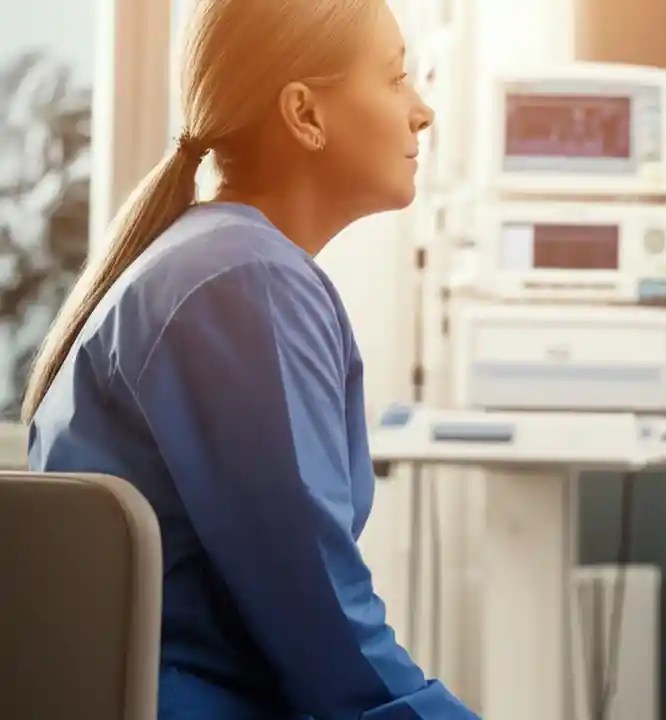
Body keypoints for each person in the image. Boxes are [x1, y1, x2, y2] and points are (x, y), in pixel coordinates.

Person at [24, 1, 477, 717]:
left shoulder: (214, 261)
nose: (420, 112)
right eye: (395, 80)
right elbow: (324, 626)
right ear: (305, 114)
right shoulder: (241, 278)